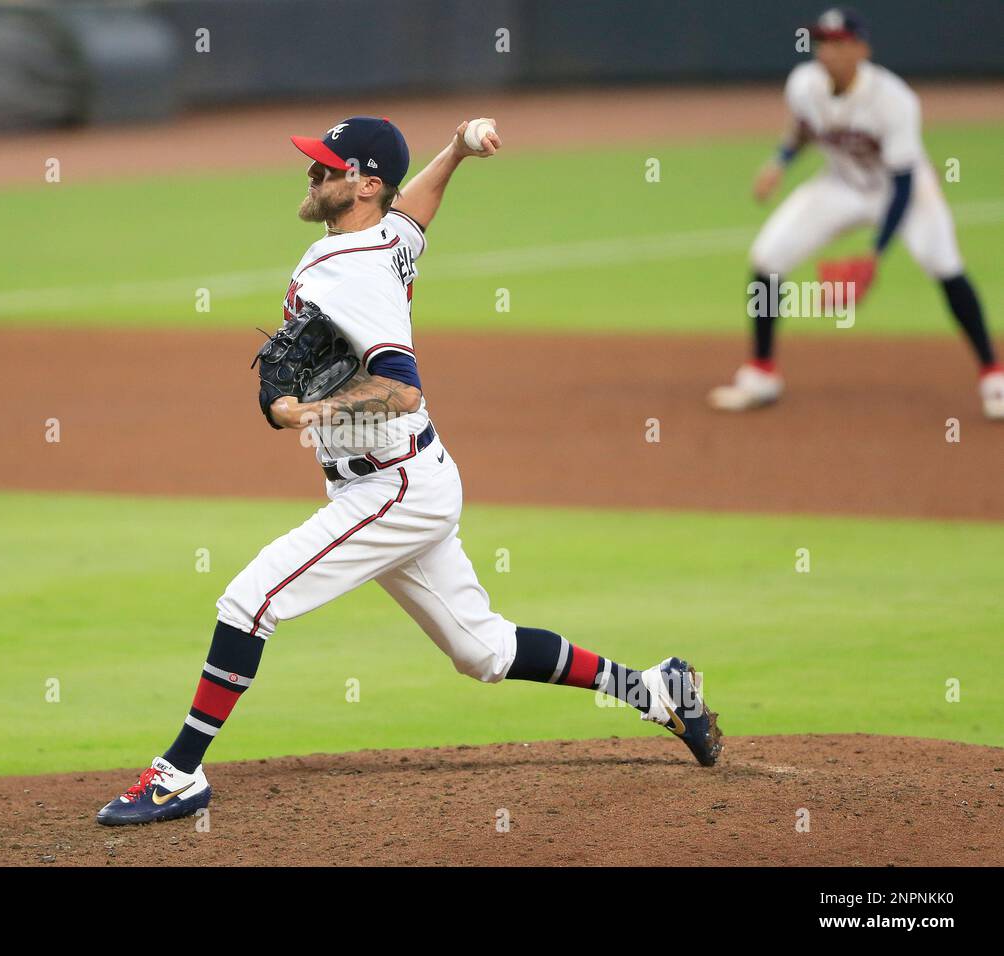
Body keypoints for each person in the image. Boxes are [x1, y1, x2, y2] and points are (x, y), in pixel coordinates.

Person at [97, 116, 722, 827]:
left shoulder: (352, 268)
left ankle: (179, 773)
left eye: (327, 168)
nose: (311, 175)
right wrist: (454, 151)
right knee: (482, 650)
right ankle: (656, 690)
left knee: (249, 603)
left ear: (364, 185)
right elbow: (413, 212)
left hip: (390, 485)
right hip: (410, 475)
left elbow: (402, 386)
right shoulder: (385, 235)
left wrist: (304, 415)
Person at [708, 7, 1004, 419]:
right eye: (822, 42)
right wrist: (779, 161)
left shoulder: (893, 99)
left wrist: (875, 254)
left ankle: (994, 377)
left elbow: (901, 183)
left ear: (861, 49)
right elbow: (804, 126)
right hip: (841, 186)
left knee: (945, 265)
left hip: (905, 191)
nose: (827, 51)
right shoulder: (803, 84)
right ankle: (761, 372)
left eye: (838, 43)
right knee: (767, 259)